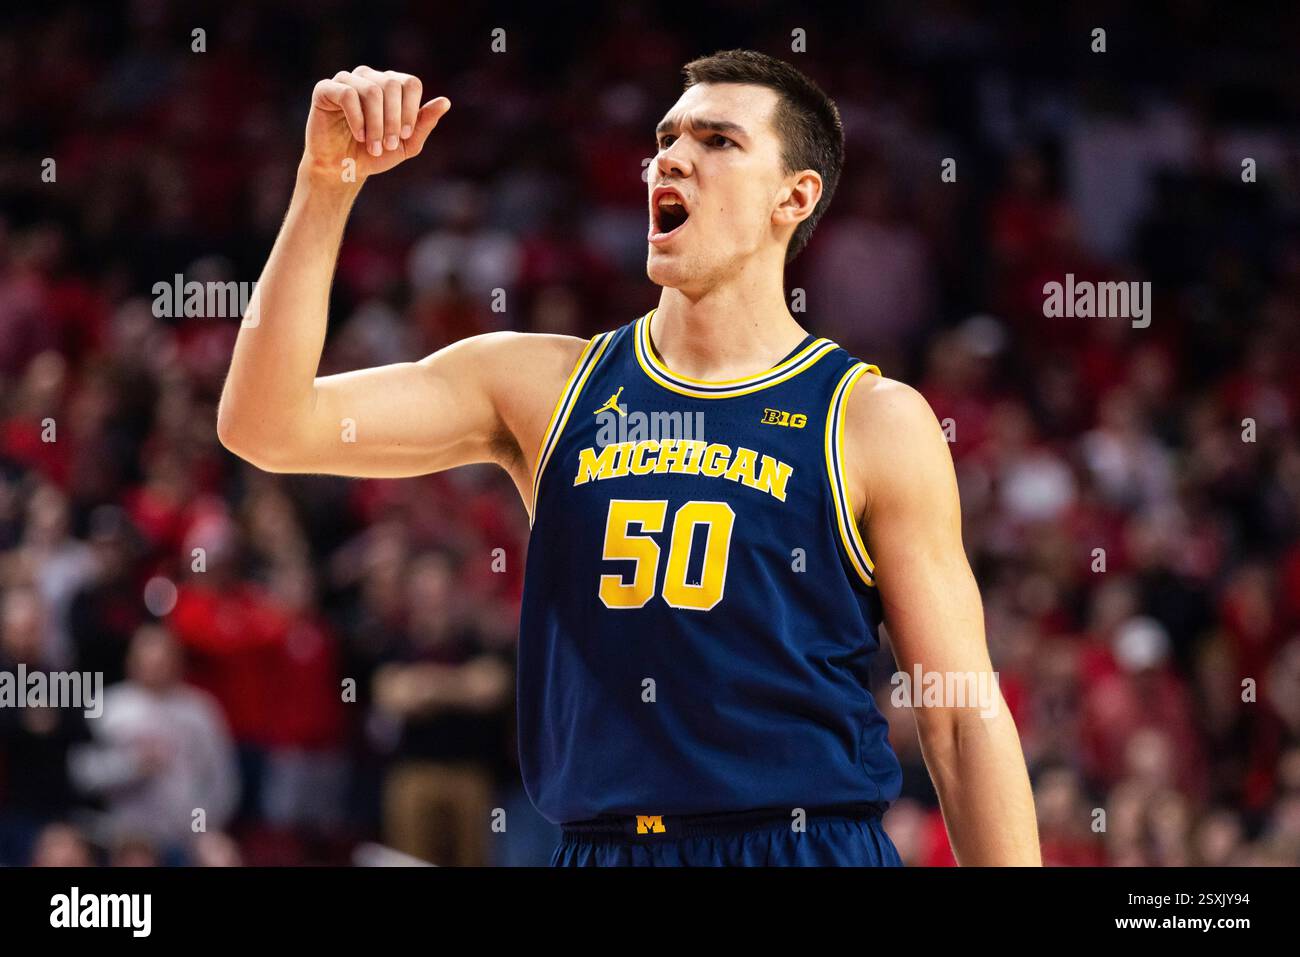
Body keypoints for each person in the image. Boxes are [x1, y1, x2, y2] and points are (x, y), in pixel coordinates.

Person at [218, 48, 1040, 866]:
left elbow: (961, 717)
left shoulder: (869, 418)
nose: (671, 158)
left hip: (803, 844)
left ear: (794, 196)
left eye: (718, 141)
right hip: (604, 847)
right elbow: (267, 424)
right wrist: (325, 187)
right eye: (667, 137)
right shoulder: (544, 386)